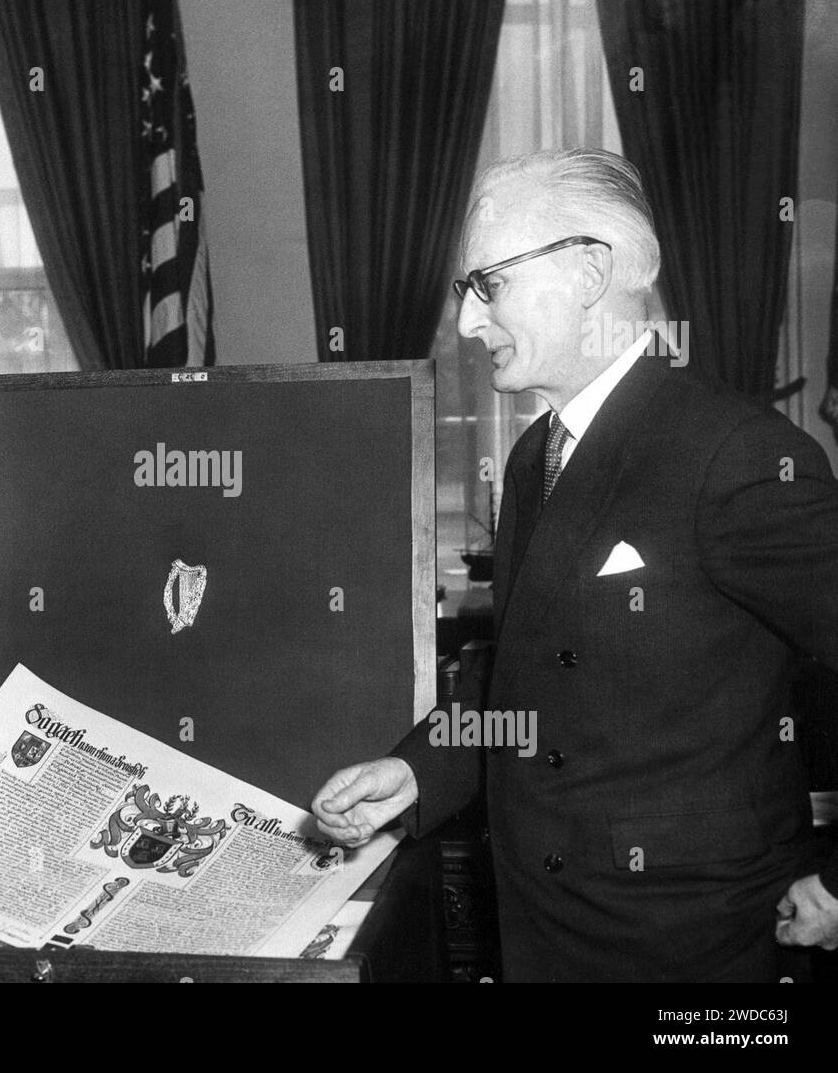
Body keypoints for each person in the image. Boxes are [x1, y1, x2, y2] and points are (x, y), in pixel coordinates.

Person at [312, 147, 838, 981]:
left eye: (489, 285)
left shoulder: (737, 454)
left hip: (690, 946)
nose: (468, 324)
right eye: (466, 293)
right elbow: (520, 683)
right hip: (546, 929)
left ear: (590, 272)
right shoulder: (535, 458)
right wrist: (416, 772)